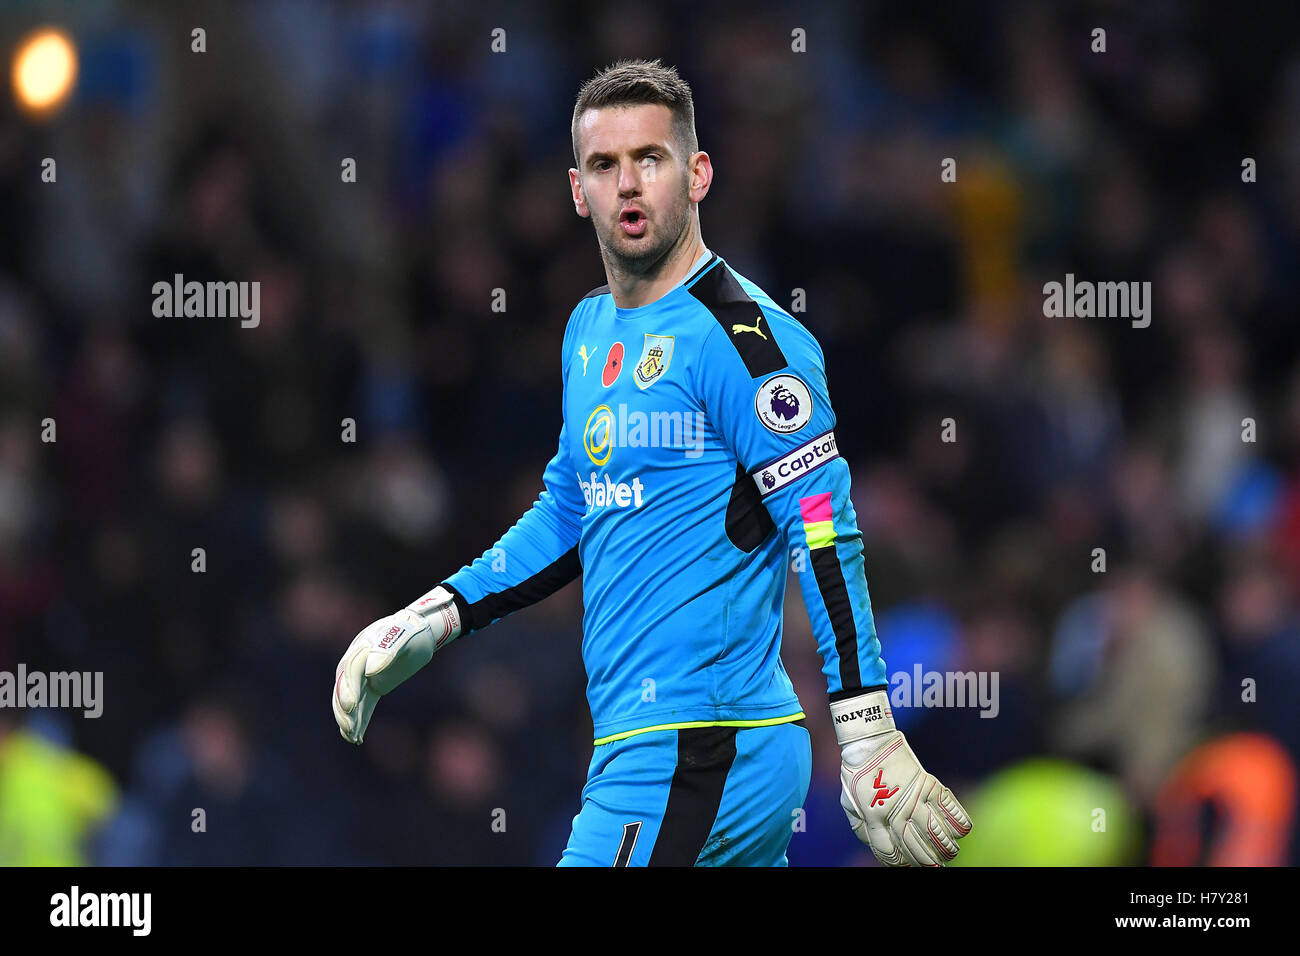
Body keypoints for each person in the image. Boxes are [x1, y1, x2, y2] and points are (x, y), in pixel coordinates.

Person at [331, 57, 972, 867]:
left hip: (702, 741)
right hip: (658, 744)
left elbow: (821, 521)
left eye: (650, 159)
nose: (628, 185)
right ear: (577, 190)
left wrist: (868, 730)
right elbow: (572, 507)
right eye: (605, 165)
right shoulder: (589, 329)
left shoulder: (743, 338)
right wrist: (437, 614)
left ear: (697, 173)